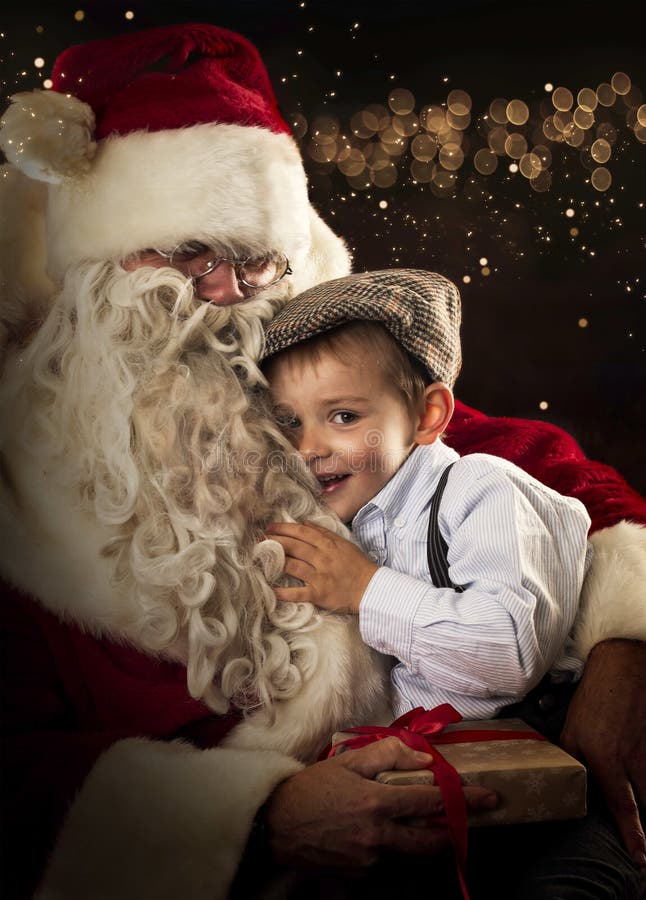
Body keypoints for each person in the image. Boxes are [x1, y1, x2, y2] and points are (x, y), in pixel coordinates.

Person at [0, 22, 644, 900]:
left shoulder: (313, 392)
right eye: (188, 254)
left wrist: (625, 651)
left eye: (254, 258)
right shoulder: (17, 479)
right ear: (95, 269)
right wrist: (257, 818)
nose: (230, 295)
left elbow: (543, 474)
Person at [263, 268, 592, 721]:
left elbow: (511, 655)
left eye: (343, 416)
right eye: (290, 422)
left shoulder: (479, 490)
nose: (309, 449)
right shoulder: (337, 520)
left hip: (519, 757)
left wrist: (364, 588)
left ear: (427, 415)